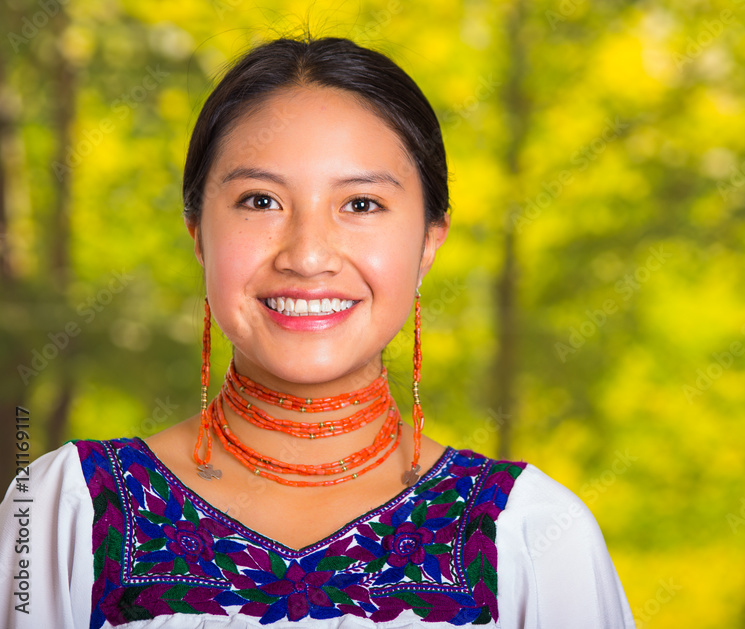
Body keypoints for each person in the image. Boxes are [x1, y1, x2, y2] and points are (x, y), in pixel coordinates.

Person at [0, 35, 636, 628]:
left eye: (360, 205)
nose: (307, 256)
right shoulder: (67, 510)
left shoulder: (528, 533)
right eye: (260, 201)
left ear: (428, 243)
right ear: (198, 234)